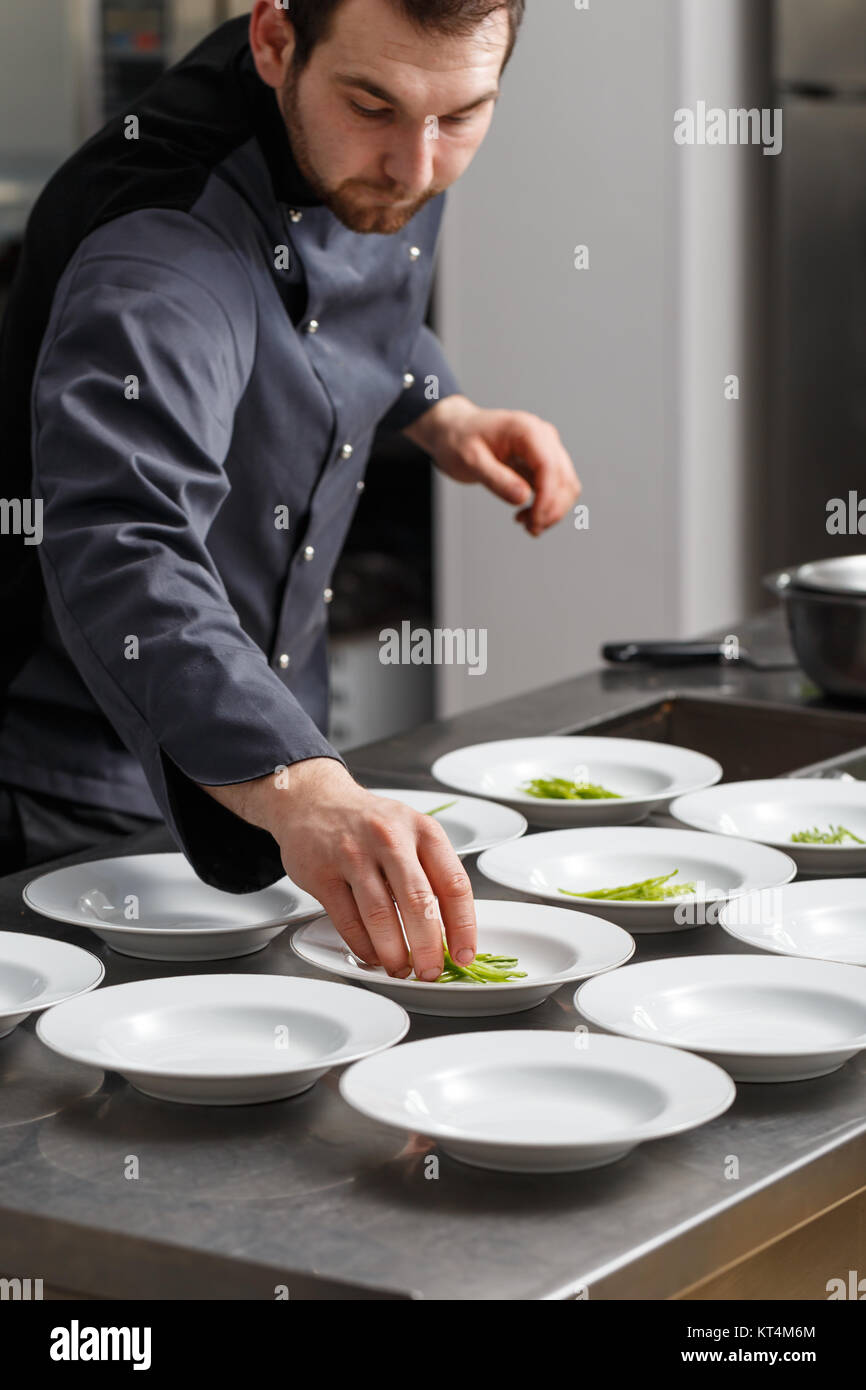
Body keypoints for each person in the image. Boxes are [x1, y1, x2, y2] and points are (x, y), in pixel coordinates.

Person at [0, 0, 581, 980]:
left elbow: (336, 282)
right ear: (273, 41)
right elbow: (122, 533)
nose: (416, 167)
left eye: (462, 117)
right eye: (373, 106)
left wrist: (438, 407)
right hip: (71, 772)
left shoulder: (371, 121)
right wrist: (298, 783)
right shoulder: (161, 247)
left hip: (268, 729)